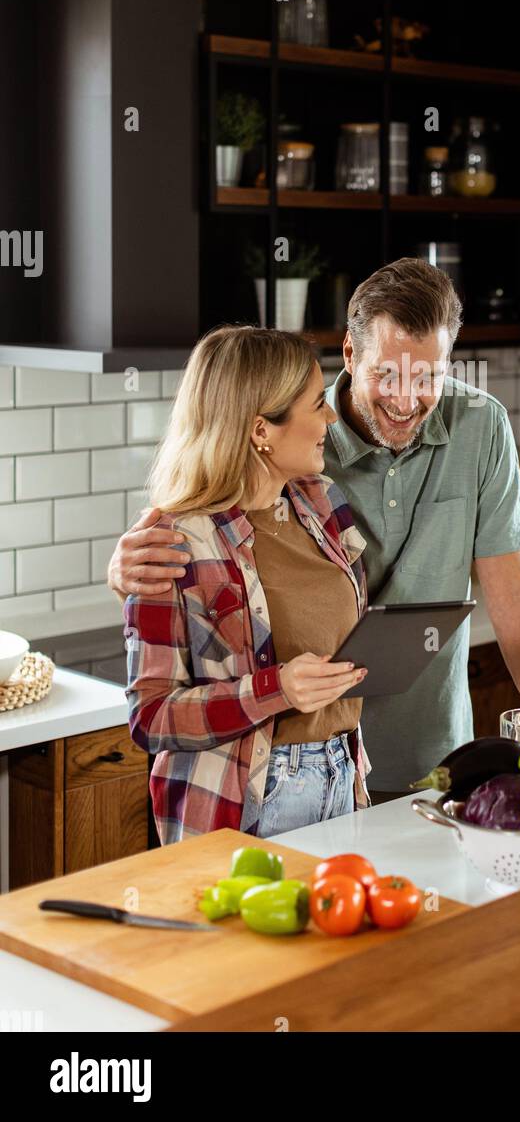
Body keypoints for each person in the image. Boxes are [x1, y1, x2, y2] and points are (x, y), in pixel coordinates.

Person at [111, 259, 520, 798]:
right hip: (291, 769)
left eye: (429, 377)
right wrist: (130, 566)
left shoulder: (480, 427)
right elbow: (206, 514)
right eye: (386, 374)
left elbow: (513, 592)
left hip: (432, 759)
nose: (407, 401)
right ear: (348, 353)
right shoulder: (301, 453)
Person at [123, 325, 369, 843]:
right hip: (245, 802)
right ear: (262, 429)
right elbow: (151, 716)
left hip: (345, 780)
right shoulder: (172, 543)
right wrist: (274, 689)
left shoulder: (323, 505)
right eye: (317, 404)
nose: (330, 418)